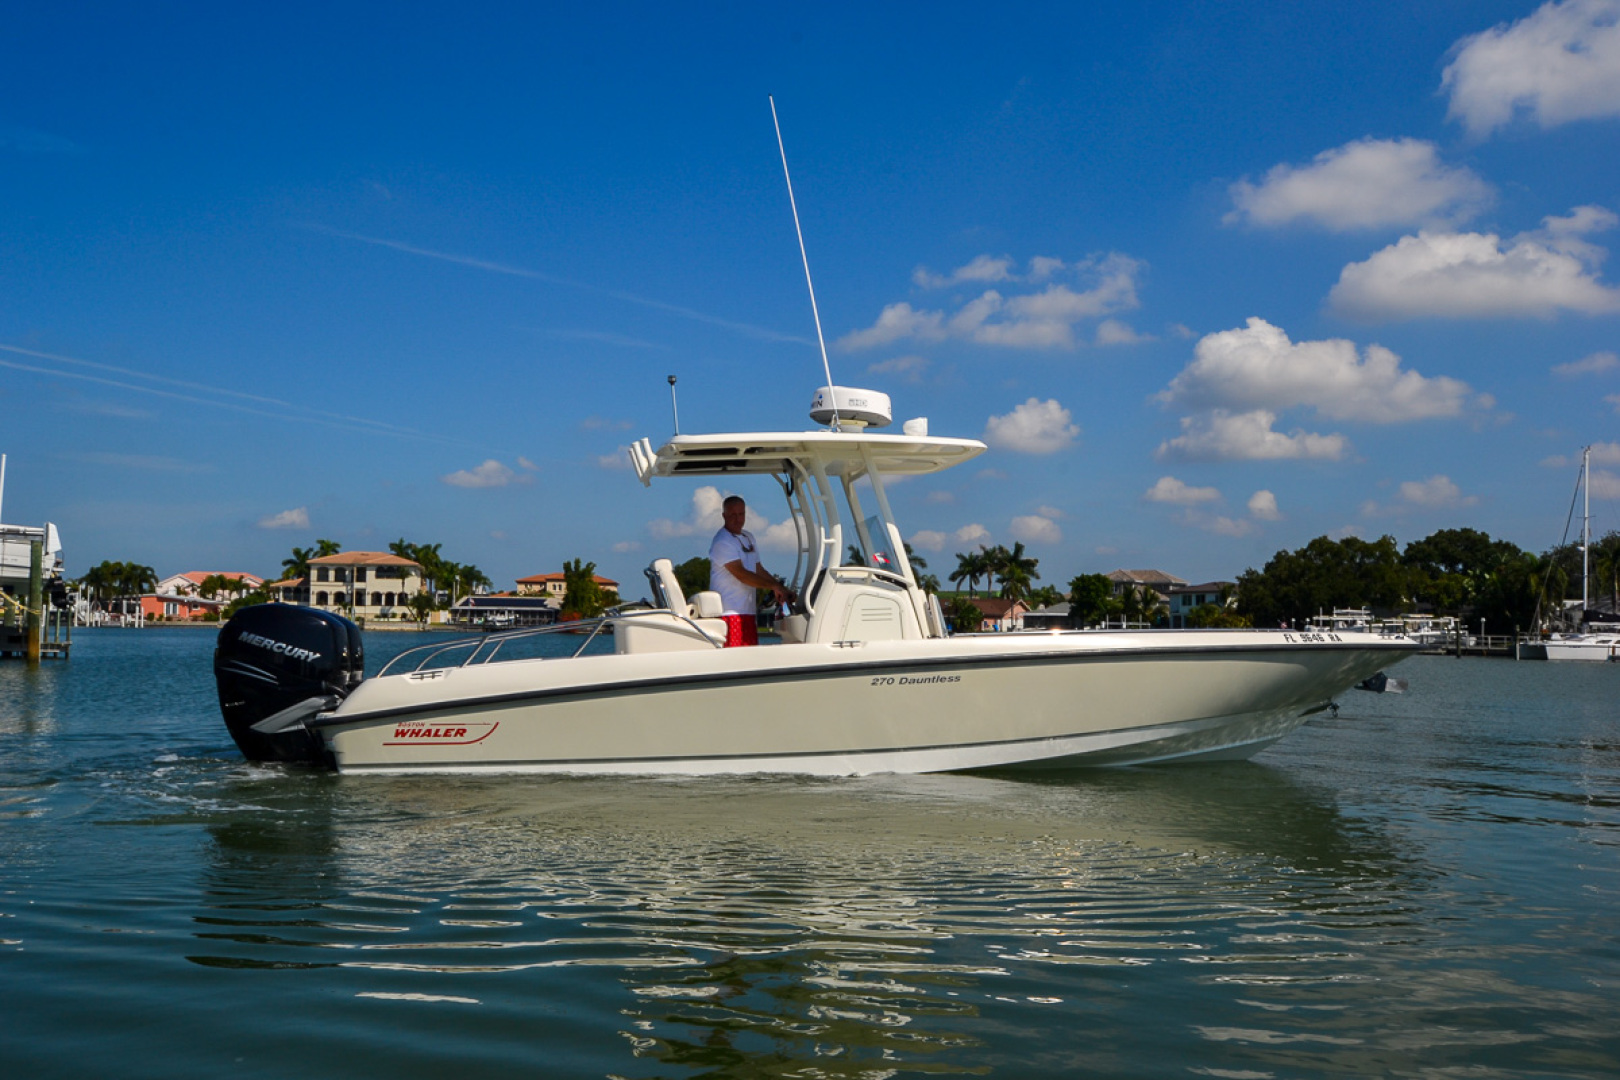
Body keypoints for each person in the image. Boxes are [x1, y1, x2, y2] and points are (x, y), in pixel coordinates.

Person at [709, 495, 793, 647]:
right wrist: (773, 587)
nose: (738, 519)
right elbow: (742, 574)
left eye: (741, 514)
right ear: (724, 516)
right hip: (729, 614)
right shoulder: (722, 541)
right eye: (733, 515)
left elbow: (758, 569)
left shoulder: (749, 537)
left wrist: (781, 589)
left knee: (749, 657)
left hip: (748, 613)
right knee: (734, 659)